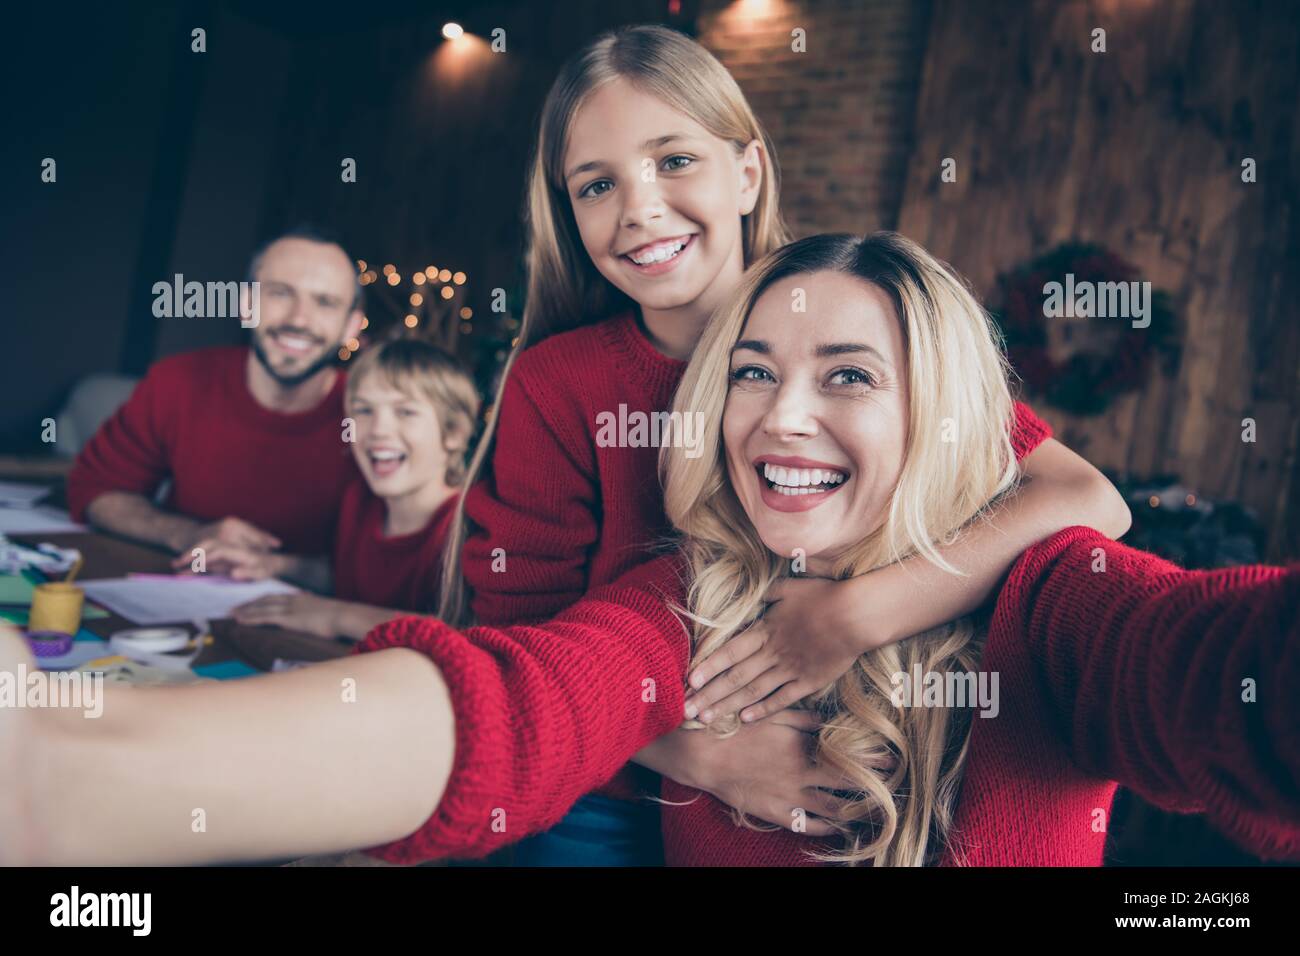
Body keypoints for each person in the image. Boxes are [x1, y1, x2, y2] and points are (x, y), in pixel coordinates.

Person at [5, 233, 1296, 867]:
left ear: (951, 414)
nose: (780, 418)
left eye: (848, 375)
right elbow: (505, 709)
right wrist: (64, 769)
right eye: (750, 375)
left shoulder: (1055, 600)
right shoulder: (682, 590)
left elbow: (1205, 662)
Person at [438, 24, 1130, 863]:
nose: (640, 208)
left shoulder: (849, 311)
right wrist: (698, 755)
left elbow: (1088, 498)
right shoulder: (561, 382)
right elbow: (522, 629)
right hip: (611, 787)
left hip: (831, 756)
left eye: (674, 160)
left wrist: (851, 618)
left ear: (749, 171)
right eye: (595, 185)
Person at [66, 225, 364, 556]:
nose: (299, 319)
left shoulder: (373, 417)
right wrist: (187, 534)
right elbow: (95, 488)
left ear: (351, 326)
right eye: (280, 293)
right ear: (246, 304)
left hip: (312, 607)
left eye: (325, 302)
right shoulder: (178, 380)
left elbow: (395, 571)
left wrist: (278, 567)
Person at [172, 339, 481, 641]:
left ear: (454, 432)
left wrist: (335, 616)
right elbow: (347, 576)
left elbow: (463, 634)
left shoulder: (466, 529)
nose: (378, 430)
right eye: (363, 411)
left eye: (405, 412)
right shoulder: (358, 501)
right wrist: (269, 565)